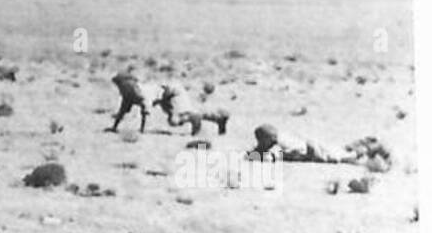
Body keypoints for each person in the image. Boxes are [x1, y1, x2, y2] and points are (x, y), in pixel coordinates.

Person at [245, 124, 392, 168]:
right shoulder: (279, 138)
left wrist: (259, 155)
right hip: (313, 145)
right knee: (340, 149)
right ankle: (366, 142)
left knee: (341, 157)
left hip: (313, 150)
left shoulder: (281, 143)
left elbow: (293, 152)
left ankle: (371, 147)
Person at [155, 84, 229, 136]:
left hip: (186, 111)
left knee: (195, 116)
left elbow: (170, 90)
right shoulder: (172, 98)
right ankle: (219, 119)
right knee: (197, 115)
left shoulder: (174, 90)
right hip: (185, 110)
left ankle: (218, 119)